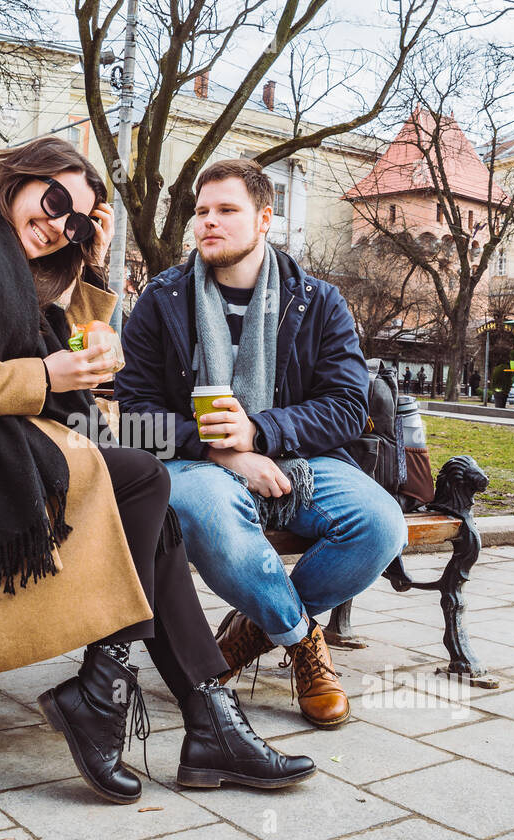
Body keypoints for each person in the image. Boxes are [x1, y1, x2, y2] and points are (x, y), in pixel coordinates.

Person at [0, 137, 313, 803]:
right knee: (143, 485)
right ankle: (144, 703)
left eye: (78, 219)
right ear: (18, 178)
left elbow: (79, 367)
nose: (58, 221)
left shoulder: (19, 265)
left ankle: (174, 711)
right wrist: (45, 374)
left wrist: (90, 269)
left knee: (146, 507)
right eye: (55, 199)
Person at [115, 158, 407, 728]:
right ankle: (303, 644)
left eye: (227, 210)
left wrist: (261, 432)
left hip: (303, 459)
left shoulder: (318, 301)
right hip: (195, 462)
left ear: (264, 219)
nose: (209, 223)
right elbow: (131, 417)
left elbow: (348, 408)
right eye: (201, 212)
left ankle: (252, 629)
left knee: (381, 524)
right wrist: (221, 449)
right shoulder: (162, 298)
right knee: (204, 507)